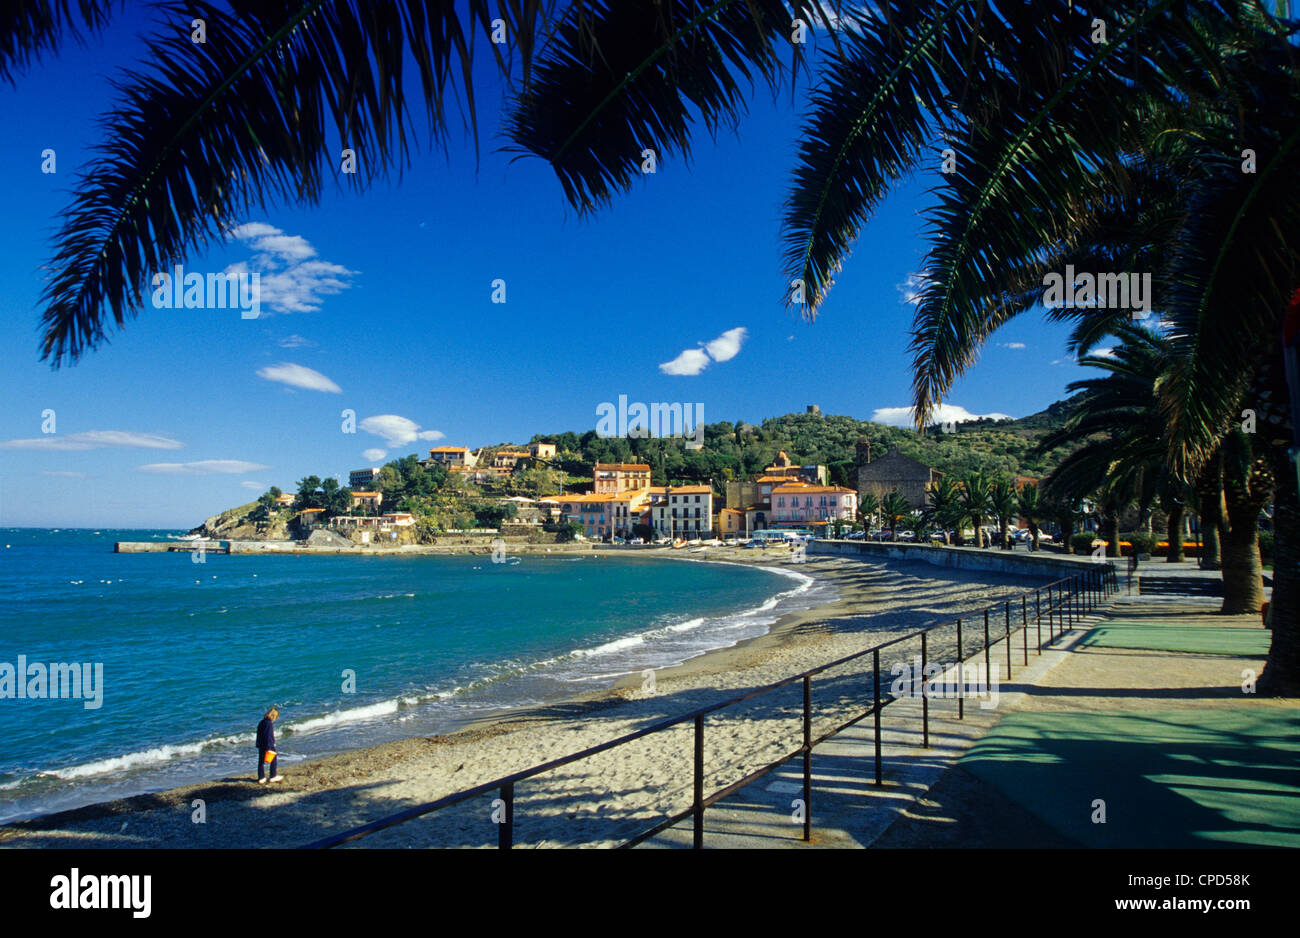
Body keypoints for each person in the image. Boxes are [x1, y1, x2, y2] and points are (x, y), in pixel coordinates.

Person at [256, 706, 284, 784]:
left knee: (261, 761)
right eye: (275, 717)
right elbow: (268, 736)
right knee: (273, 759)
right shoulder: (269, 724)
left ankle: (261, 778)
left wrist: (258, 744)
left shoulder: (262, 722)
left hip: (261, 744)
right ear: (273, 716)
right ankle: (273, 776)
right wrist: (269, 747)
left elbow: (259, 734)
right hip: (268, 745)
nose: (275, 719)